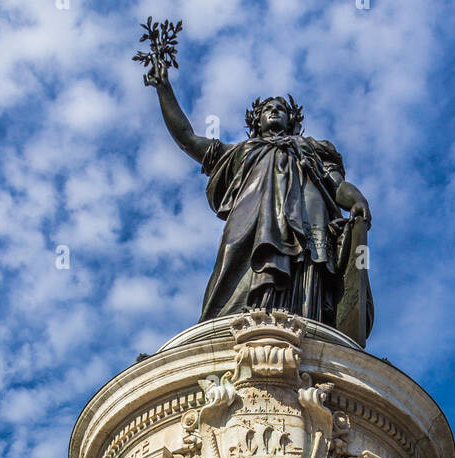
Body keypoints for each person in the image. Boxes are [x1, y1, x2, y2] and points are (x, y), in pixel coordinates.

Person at [147, 69, 373, 336]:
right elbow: (189, 139)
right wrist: (164, 88)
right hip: (251, 225)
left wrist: (357, 199)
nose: (274, 111)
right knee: (236, 276)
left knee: (305, 287)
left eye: (280, 108)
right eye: (267, 108)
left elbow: (337, 187)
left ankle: (301, 332)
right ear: (257, 121)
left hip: (309, 225)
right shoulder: (241, 152)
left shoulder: (313, 149)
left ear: (293, 121)